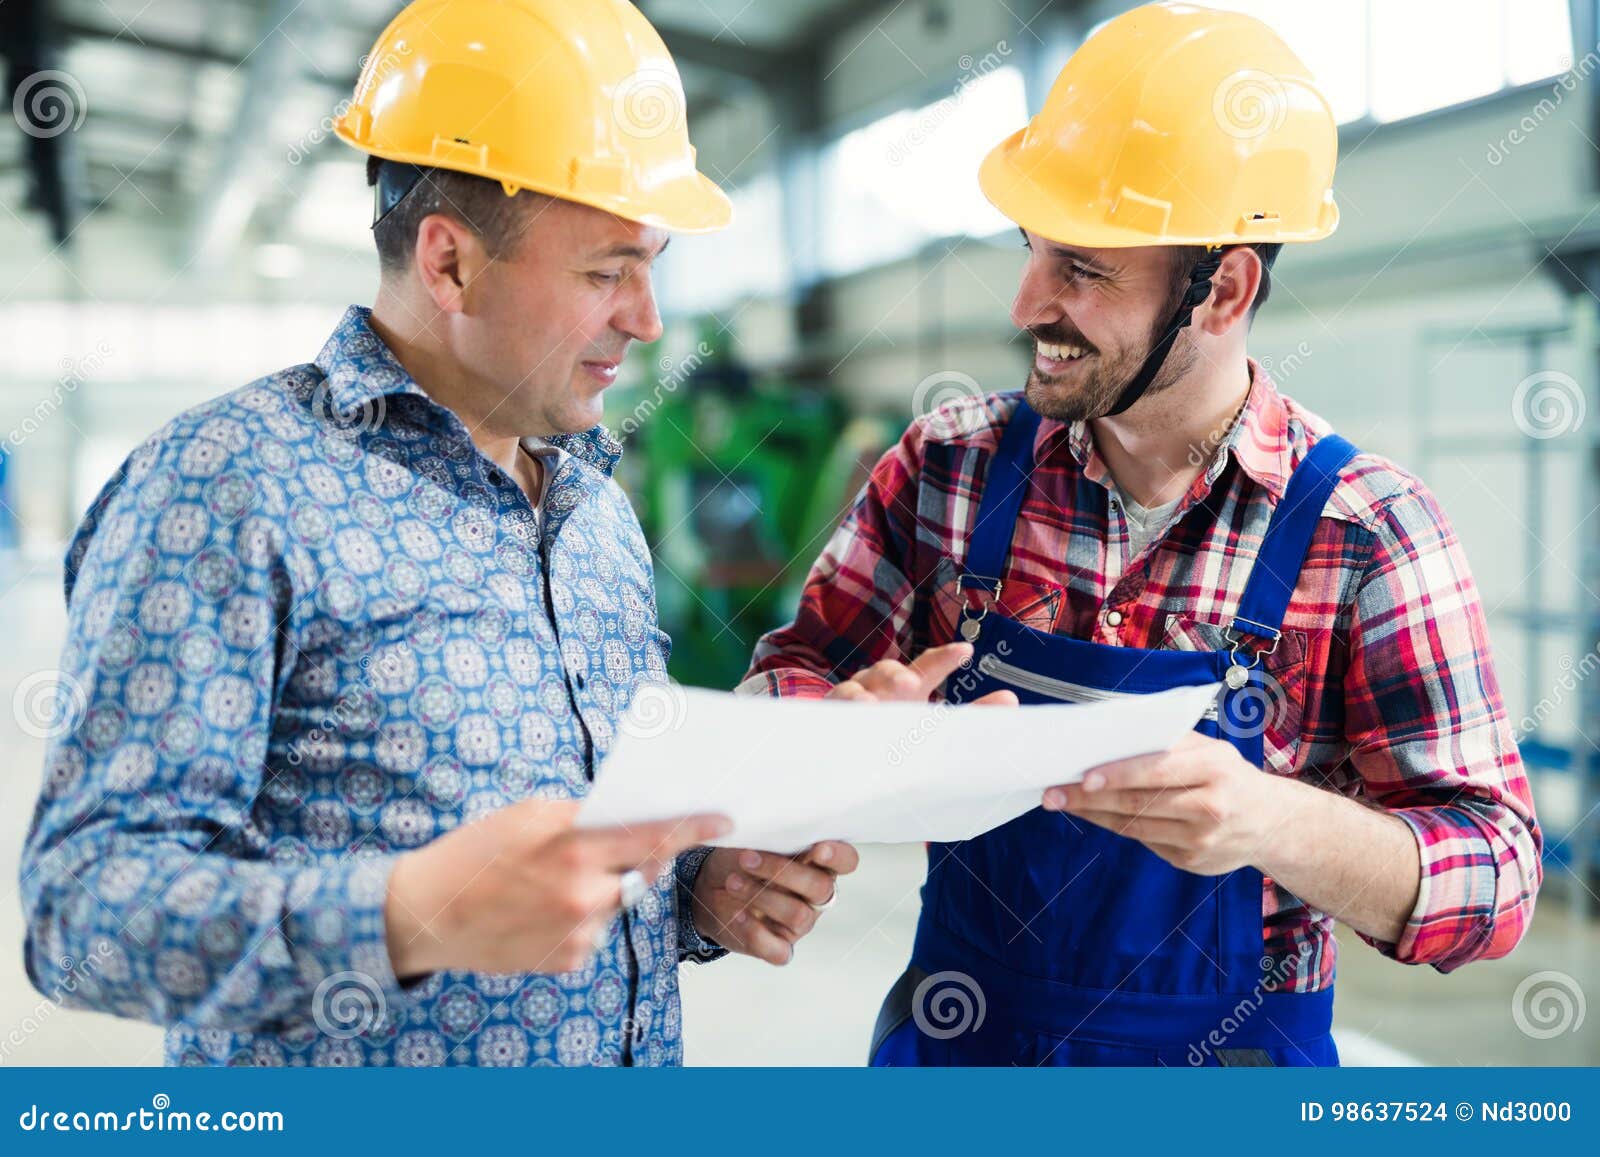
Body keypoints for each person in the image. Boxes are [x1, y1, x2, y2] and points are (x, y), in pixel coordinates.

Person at [20, 0, 854, 1068]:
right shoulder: (226, 487)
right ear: (449, 262)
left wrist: (692, 892)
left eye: (653, 264)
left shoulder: (593, 509)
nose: (647, 320)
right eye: (607, 271)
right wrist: (404, 912)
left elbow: (576, 847)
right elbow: (80, 914)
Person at [741, 2, 1540, 1067]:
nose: (1028, 302)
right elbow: (787, 675)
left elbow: (1497, 878)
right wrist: (835, 728)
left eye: (1083, 269)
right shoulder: (949, 468)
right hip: (964, 1050)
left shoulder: (1367, 533)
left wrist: (1268, 820)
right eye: (1032, 252)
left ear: (1222, 288)